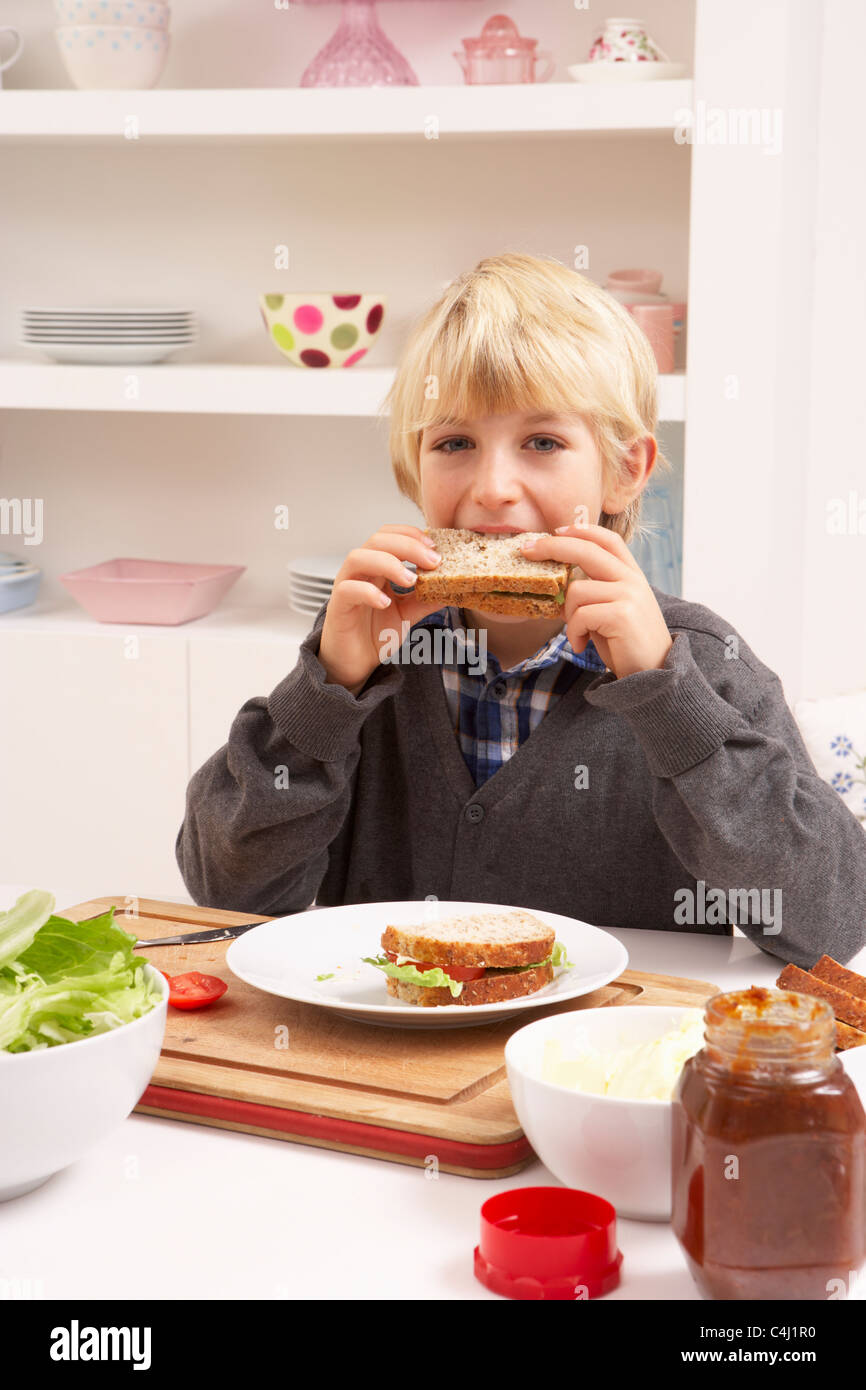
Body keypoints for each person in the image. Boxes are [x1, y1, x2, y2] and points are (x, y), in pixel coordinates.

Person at [175, 253, 866, 967]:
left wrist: (668, 696)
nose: (494, 487)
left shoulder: (694, 660)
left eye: (542, 442)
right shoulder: (370, 652)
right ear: (414, 468)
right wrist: (326, 690)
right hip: (387, 1052)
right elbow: (229, 889)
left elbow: (828, 921)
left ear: (625, 473)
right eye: (454, 443)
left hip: (601, 1056)